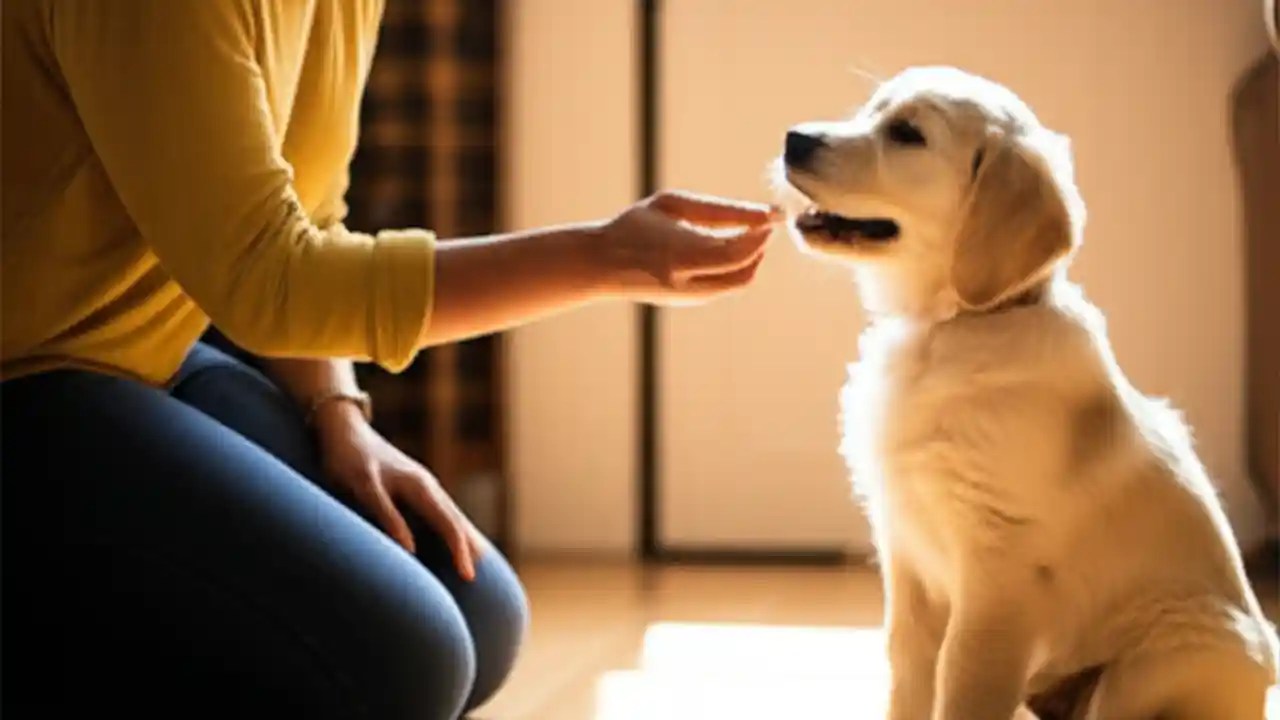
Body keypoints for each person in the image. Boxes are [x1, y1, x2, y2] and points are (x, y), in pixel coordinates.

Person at [1, 2, 775, 718]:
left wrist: (338, 412)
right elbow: (270, 281)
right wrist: (601, 259)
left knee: (478, 608)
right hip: (24, 376)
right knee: (407, 661)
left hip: (138, 359)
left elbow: (306, 215)